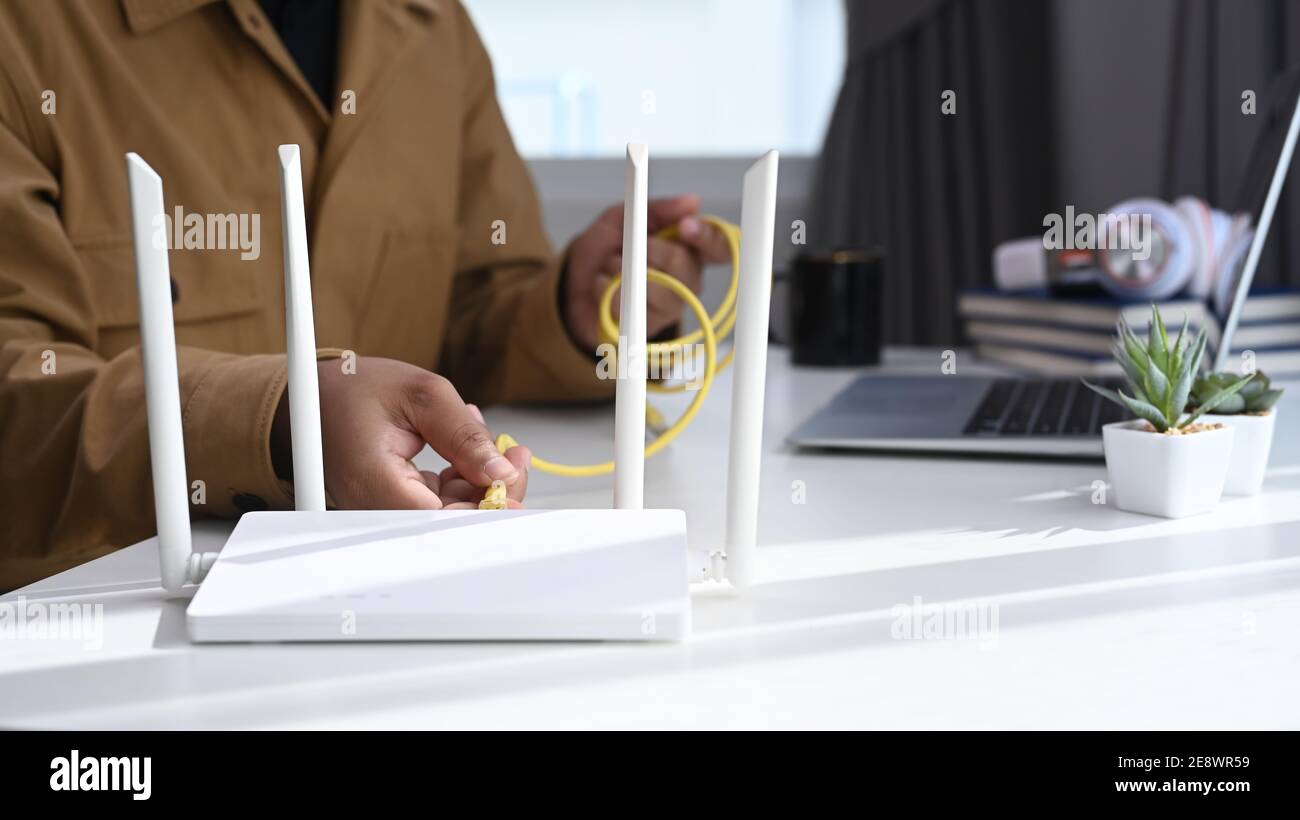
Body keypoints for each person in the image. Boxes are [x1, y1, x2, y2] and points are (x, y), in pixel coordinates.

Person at [0, 0, 731, 591]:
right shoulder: (27, 35)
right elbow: (17, 392)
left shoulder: (434, 28)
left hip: (397, 607)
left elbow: (477, 309)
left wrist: (574, 312)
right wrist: (287, 421)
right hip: (110, 644)